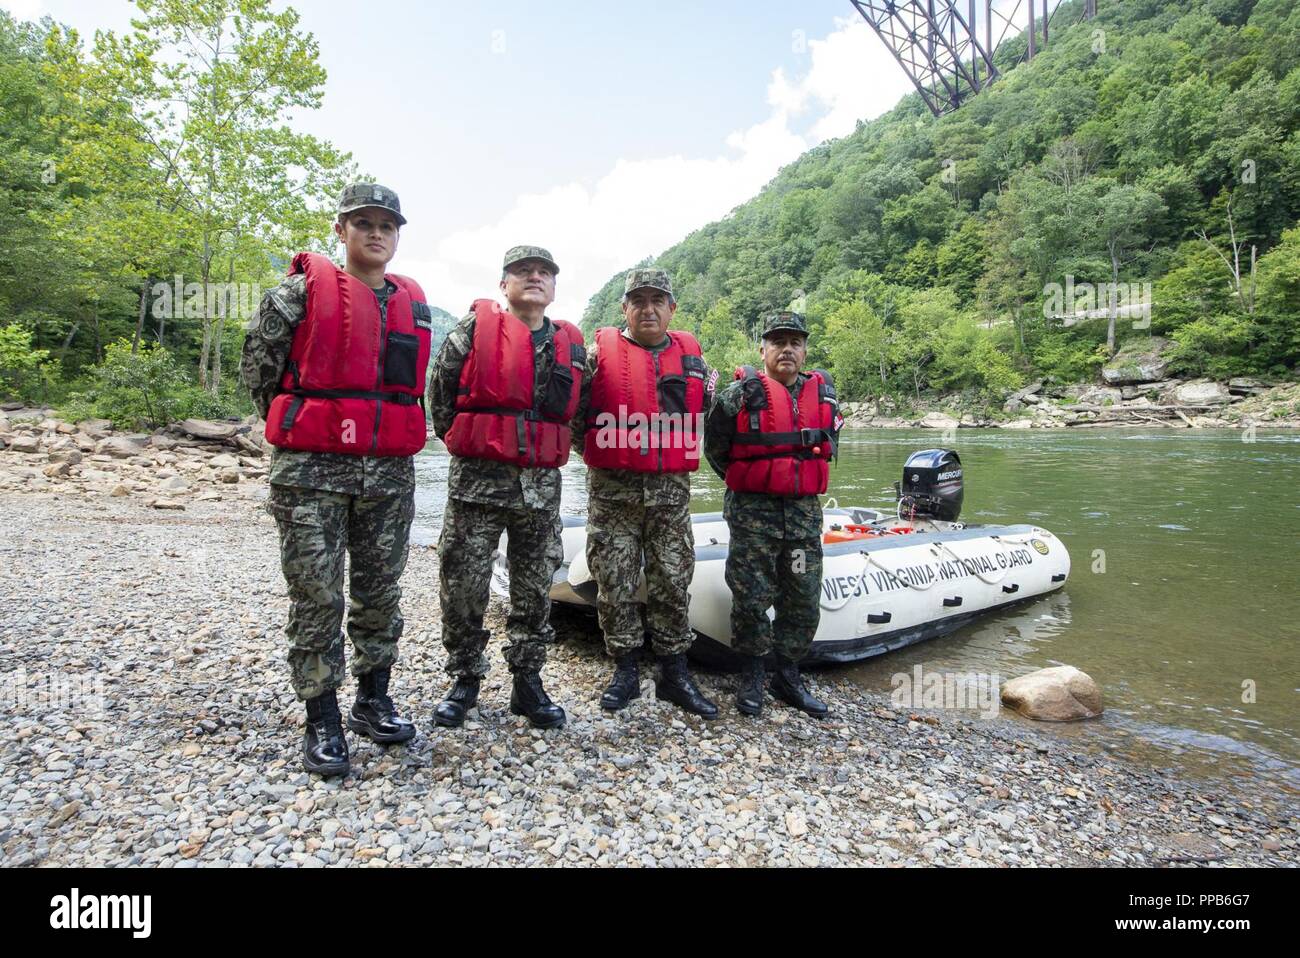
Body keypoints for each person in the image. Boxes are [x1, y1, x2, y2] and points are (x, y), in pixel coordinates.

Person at [240, 183, 432, 776]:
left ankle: (372, 700)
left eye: (387, 226)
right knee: (317, 596)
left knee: (381, 592)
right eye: (364, 223)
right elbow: (260, 375)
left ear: (397, 236)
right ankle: (321, 715)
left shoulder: (414, 305)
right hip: (310, 475)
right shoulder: (294, 296)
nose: (376, 234)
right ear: (341, 229)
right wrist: (316, 423)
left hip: (389, 476)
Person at [427, 246, 584, 729]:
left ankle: (527, 682)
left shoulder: (571, 348)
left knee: (534, 591)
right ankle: (465, 679)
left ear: (554, 287)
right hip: (476, 489)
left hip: (540, 493)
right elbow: (441, 399)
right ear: (504, 283)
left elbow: (578, 412)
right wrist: (475, 443)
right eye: (522, 271)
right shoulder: (470, 332)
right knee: (463, 587)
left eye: (543, 273)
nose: (534, 278)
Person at [571, 268, 718, 717]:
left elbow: (703, 411)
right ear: (625, 309)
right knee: (614, 583)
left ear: (672, 308)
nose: (648, 308)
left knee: (673, 582)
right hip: (612, 496)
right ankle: (625, 669)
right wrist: (608, 454)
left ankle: (675, 671)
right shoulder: (598, 356)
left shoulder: (694, 360)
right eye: (638, 300)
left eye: (658, 300)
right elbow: (577, 419)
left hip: (671, 498)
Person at [703, 311, 842, 718]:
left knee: (802, 597)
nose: (786, 349)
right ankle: (751, 674)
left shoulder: (825, 395)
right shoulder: (737, 395)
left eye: (794, 342)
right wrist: (751, 479)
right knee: (750, 597)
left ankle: (787, 674)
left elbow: (828, 443)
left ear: (804, 350)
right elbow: (716, 448)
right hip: (752, 520)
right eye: (777, 342)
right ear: (762, 349)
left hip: (802, 523)